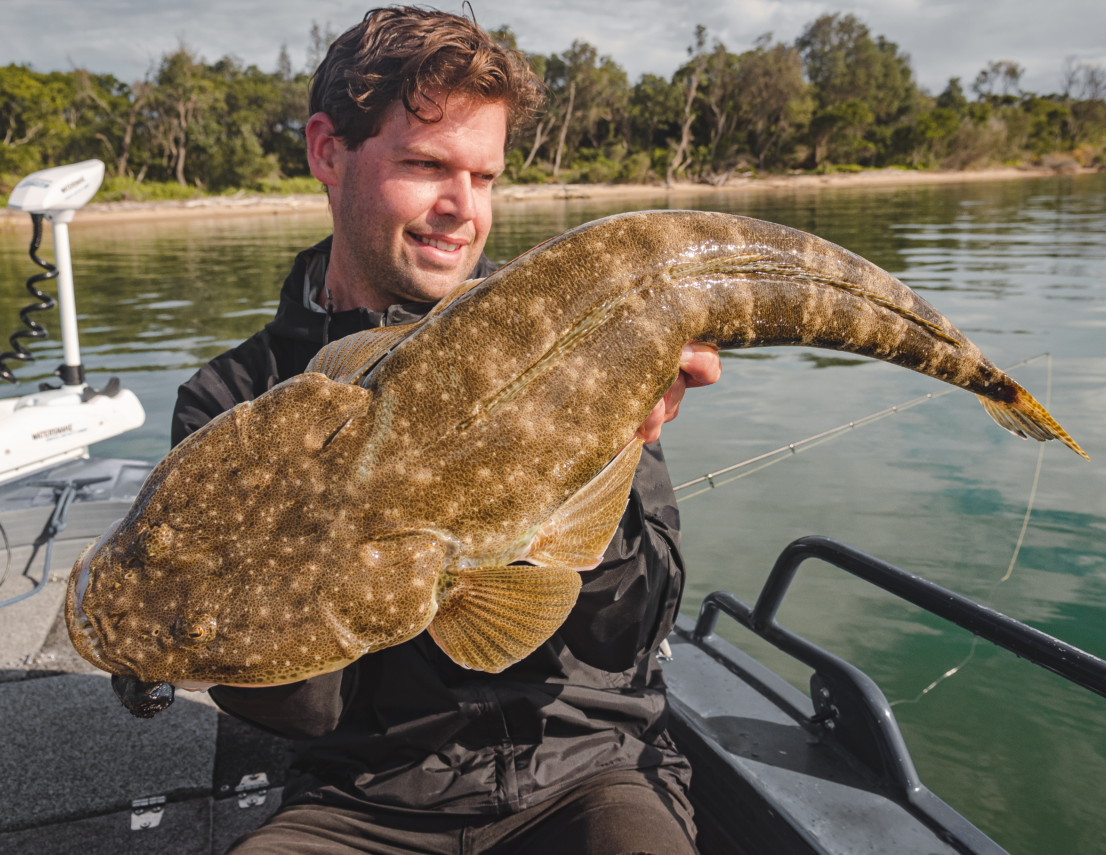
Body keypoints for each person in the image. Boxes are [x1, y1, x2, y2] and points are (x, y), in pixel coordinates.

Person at [171, 8, 721, 855]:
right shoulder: (233, 405)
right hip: (356, 799)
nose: (461, 209)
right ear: (328, 150)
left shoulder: (567, 339)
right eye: (426, 164)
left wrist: (601, 459)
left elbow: (622, 635)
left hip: (587, 768)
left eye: (486, 176)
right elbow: (305, 709)